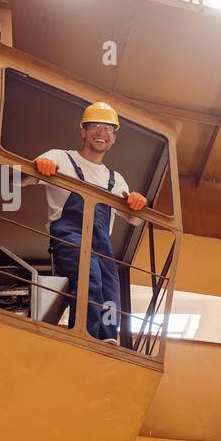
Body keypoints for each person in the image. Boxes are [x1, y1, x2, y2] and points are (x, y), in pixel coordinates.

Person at [33, 102, 147, 342]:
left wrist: (137, 203)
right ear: (83, 131)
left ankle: (107, 339)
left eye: (108, 128)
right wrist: (37, 169)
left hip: (102, 244)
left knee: (110, 289)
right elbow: (17, 179)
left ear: (114, 138)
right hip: (69, 237)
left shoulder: (115, 179)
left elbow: (134, 220)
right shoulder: (59, 158)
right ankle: (86, 335)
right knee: (90, 277)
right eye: (95, 125)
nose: (101, 132)